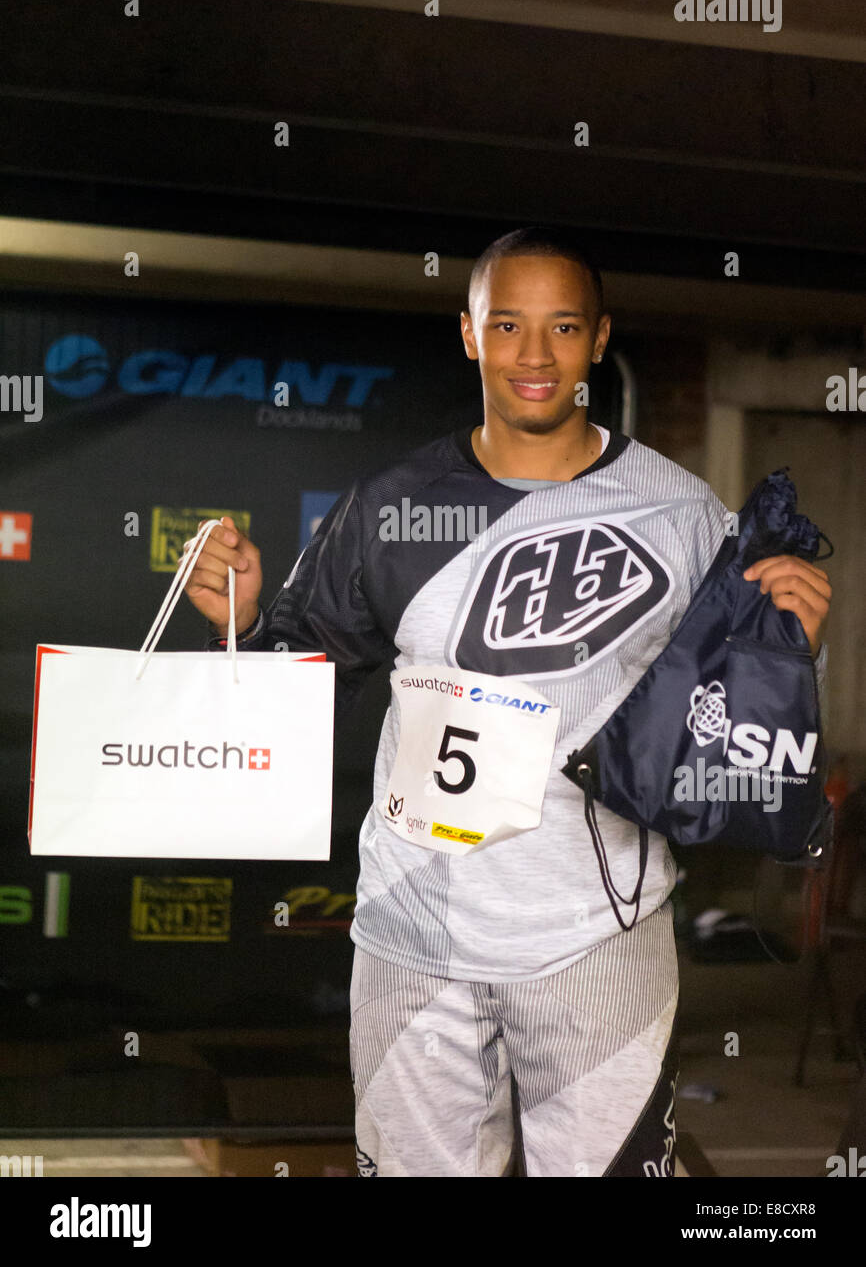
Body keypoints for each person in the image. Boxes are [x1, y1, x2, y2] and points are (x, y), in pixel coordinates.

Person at [182, 226, 832, 1177]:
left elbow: (722, 731)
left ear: (600, 338)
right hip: (412, 931)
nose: (535, 356)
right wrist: (239, 624)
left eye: (563, 326)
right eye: (509, 325)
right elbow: (292, 691)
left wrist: (785, 651)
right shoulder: (390, 507)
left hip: (599, 936)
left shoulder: (684, 515)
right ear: (469, 333)